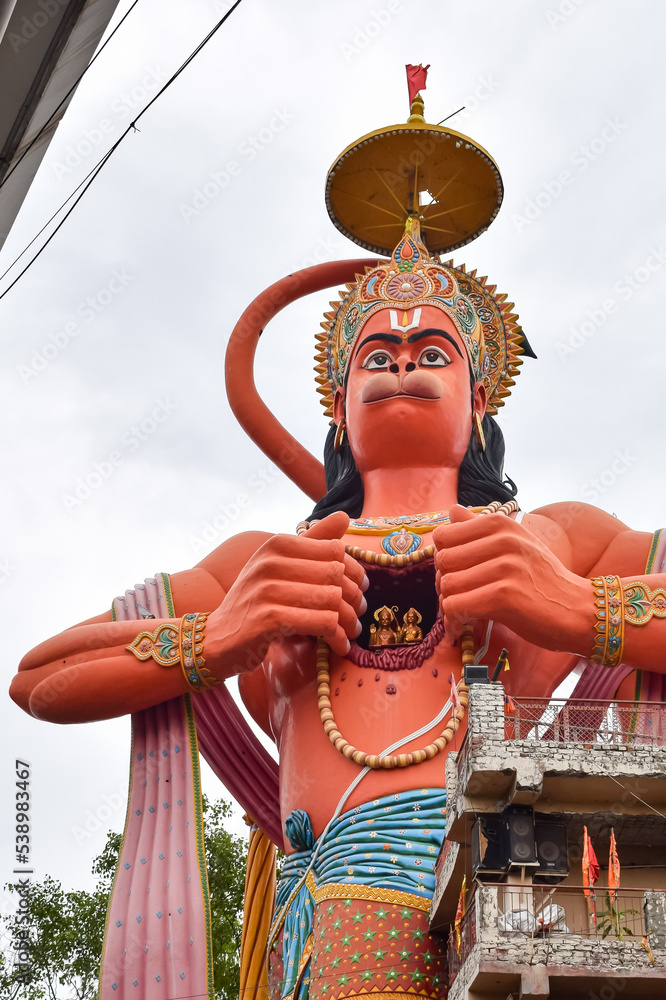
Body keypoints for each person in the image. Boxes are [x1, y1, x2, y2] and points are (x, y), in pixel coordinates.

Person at [10, 221, 666, 1000]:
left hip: (506, 901)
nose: (401, 368)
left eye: (431, 353)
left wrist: (577, 606)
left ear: (479, 396)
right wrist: (221, 636)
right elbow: (38, 678)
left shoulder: (550, 541)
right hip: (326, 926)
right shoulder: (270, 567)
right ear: (340, 406)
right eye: (376, 359)